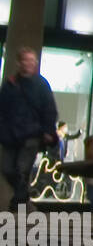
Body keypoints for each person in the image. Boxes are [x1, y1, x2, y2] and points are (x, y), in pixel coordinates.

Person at [0, 47, 59, 210]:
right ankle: (23, 198)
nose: (30, 64)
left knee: (22, 169)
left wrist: (48, 130)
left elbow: (49, 109)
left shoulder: (41, 84)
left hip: (32, 133)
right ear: (19, 62)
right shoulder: (10, 85)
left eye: (32, 61)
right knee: (6, 168)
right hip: (10, 135)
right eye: (26, 60)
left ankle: (18, 202)